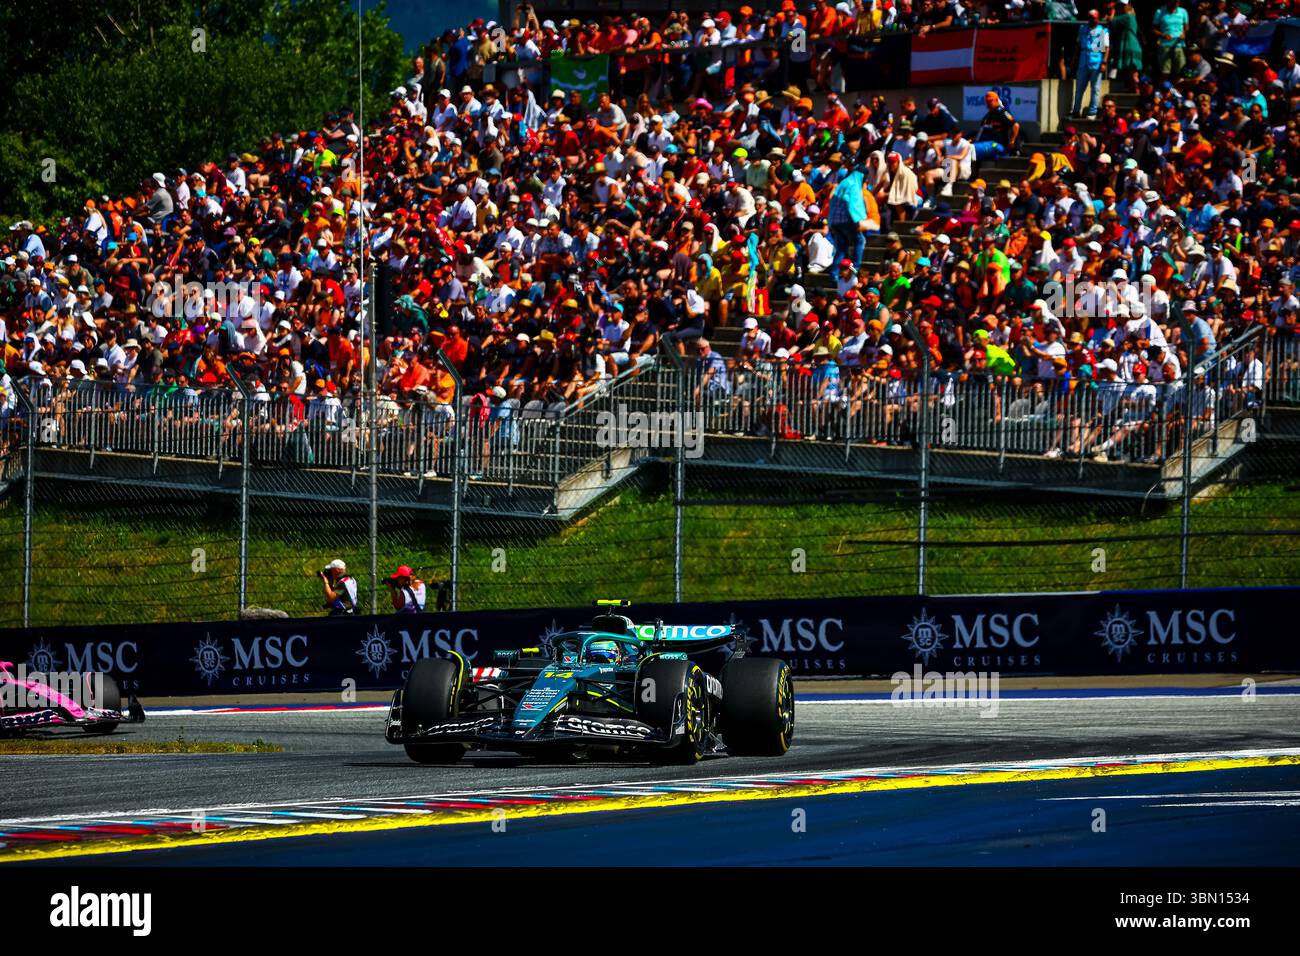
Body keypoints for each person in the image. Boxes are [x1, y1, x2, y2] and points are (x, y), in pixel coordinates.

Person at [1072, 10, 1110, 120]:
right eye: (1090, 17)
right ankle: (1076, 110)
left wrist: (1104, 62)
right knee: (1079, 87)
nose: (1091, 19)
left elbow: (1107, 48)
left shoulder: (1102, 30)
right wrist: (1074, 59)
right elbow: (1078, 45)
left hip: (1096, 60)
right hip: (1084, 59)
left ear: (1098, 19)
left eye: (1093, 17)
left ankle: (1092, 112)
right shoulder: (1083, 29)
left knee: (1095, 88)